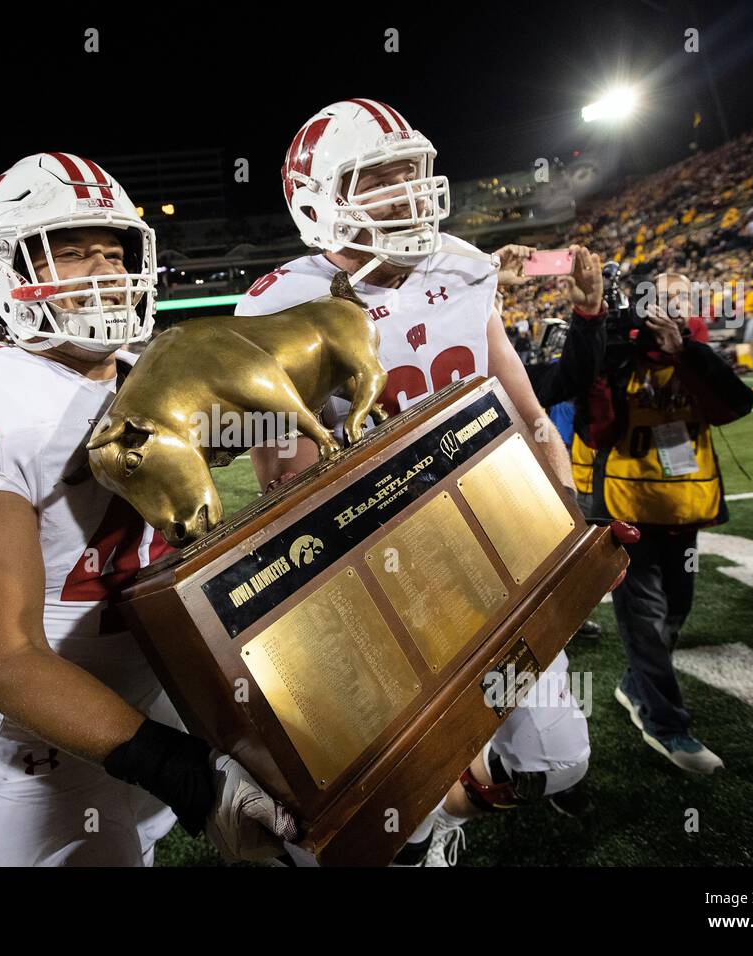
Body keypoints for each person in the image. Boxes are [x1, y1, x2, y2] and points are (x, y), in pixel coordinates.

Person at [0, 153, 296, 866]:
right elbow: (8, 658)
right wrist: (186, 776)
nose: (104, 272)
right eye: (72, 253)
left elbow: (267, 448)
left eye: (113, 253)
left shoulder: (158, 373)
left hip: (173, 684)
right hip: (49, 730)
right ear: (6, 269)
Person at [242, 100, 590, 865]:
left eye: (412, 172)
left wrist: (561, 514)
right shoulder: (281, 302)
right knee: (399, 803)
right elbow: (284, 483)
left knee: (554, 761)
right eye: (378, 178)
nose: (406, 192)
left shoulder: (465, 266)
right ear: (317, 201)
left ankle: (445, 811)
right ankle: (421, 830)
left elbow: (528, 414)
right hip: (379, 571)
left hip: (505, 540)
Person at [570, 272, 753, 774]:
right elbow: (597, 430)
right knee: (646, 620)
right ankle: (665, 721)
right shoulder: (620, 353)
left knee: (676, 610)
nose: (676, 304)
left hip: (682, 509)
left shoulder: (697, 352)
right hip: (629, 510)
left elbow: (734, 405)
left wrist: (685, 354)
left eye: (684, 296)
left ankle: (636, 685)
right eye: (667, 295)